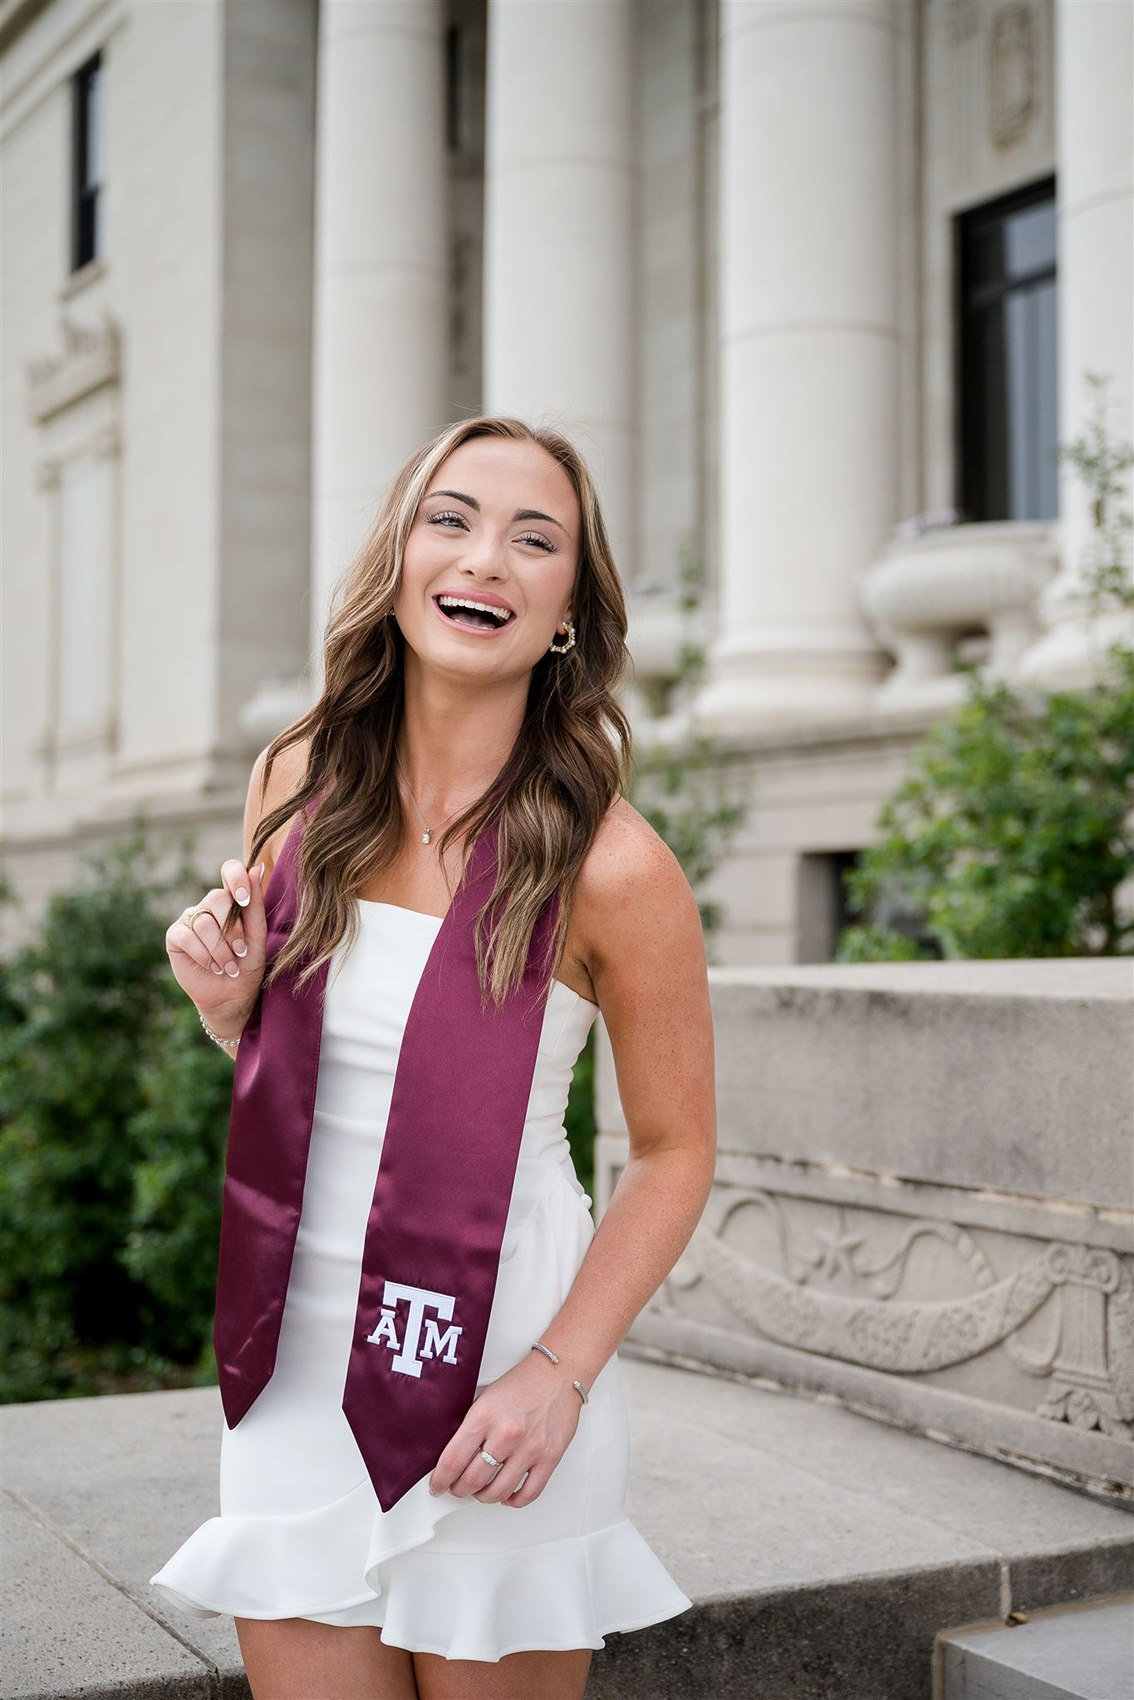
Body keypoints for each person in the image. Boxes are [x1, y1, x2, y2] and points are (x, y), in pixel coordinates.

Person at [149, 416, 717, 1700]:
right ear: (400, 558)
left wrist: (556, 1375)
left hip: (503, 1365)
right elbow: (305, 1080)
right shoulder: (297, 784)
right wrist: (231, 1008)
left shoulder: (614, 868)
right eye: (452, 518)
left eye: (537, 538)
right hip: (295, 1357)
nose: (488, 559)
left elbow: (677, 1151)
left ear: (571, 607)